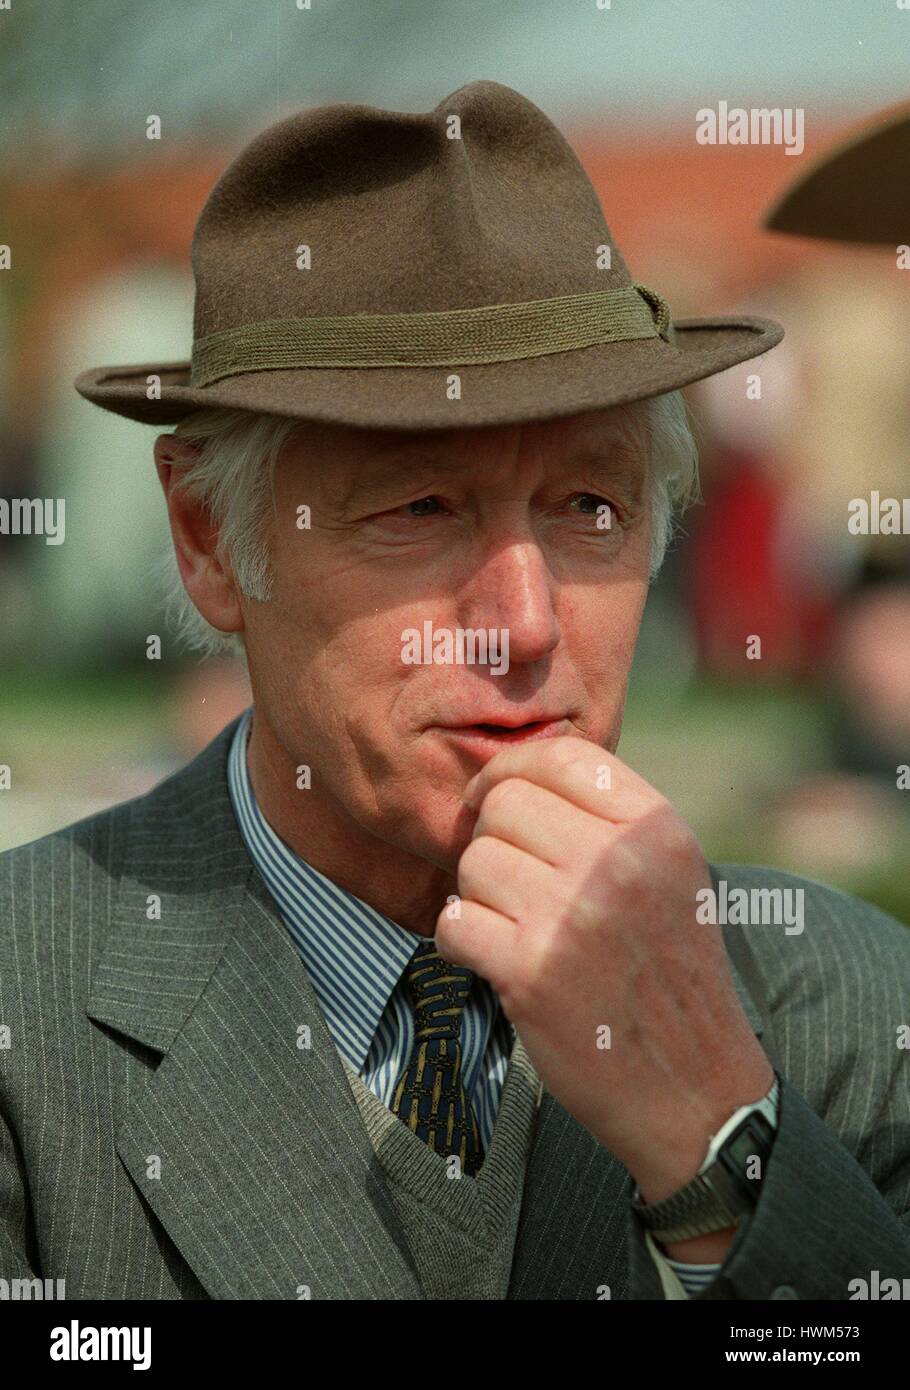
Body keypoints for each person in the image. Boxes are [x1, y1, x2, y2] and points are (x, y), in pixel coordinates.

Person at [1, 81, 908, 1302]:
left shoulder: (846, 1010)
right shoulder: (28, 1015)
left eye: (590, 508)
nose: (524, 626)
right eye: (420, 509)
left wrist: (716, 1146)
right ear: (208, 537)